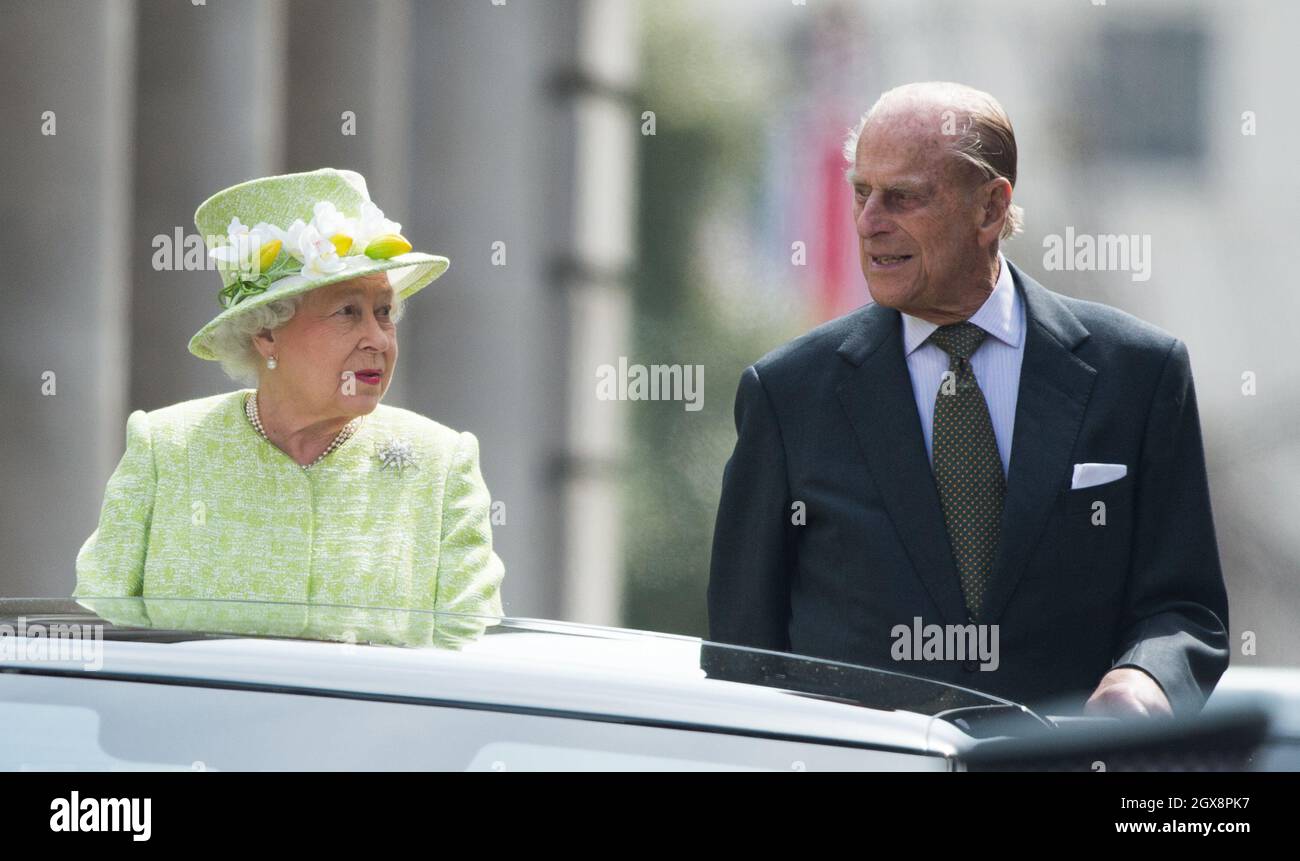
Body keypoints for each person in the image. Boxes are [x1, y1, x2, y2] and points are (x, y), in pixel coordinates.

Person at [707, 82, 1229, 718]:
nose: (870, 222)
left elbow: (1186, 610)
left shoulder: (1139, 374)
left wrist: (1143, 685)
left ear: (989, 208)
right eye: (861, 193)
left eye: (903, 197)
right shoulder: (788, 395)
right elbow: (743, 653)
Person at [73, 167, 504, 648]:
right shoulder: (166, 448)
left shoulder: (441, 462)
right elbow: (101, 633)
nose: (378, 339)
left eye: (384, 312)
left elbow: (467, 656)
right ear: (266, 333)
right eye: (348, 312)